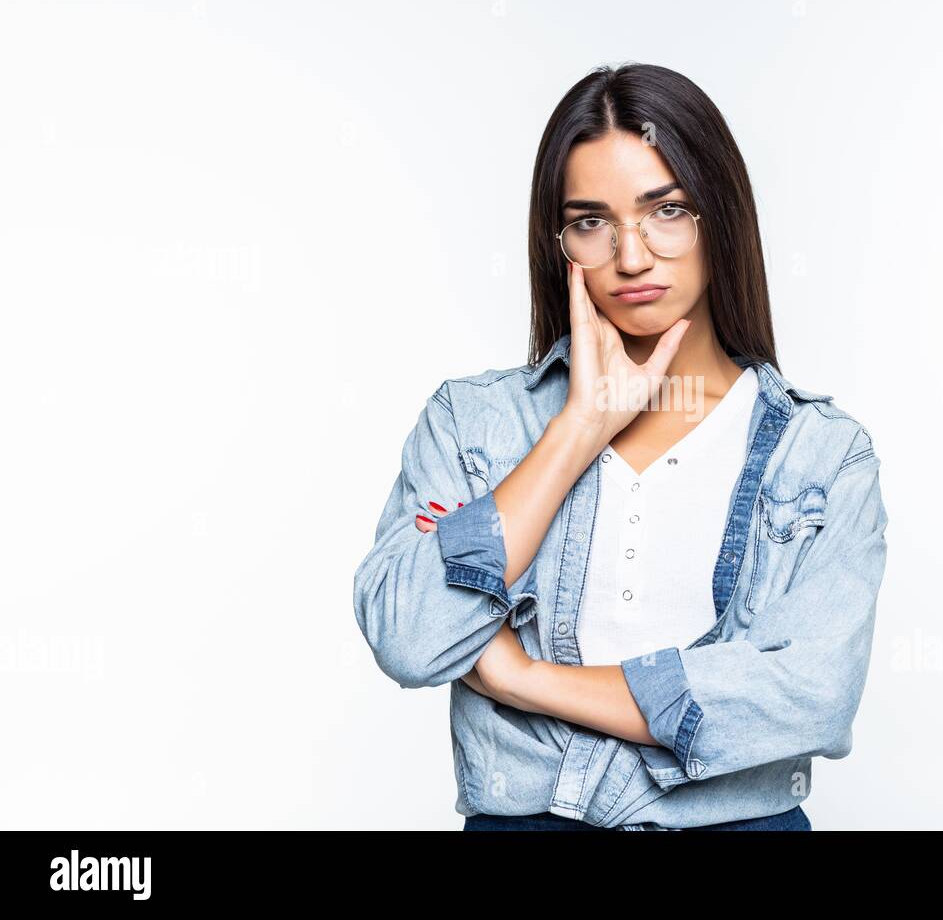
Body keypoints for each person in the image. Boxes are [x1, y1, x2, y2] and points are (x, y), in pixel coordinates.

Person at [353, 62, 889, 831]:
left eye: (666, 210)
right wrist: (577, 430)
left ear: (721, 217)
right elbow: (408, 637)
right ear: (560, 242)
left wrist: (525, 679)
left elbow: (810, 695)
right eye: (591, 222)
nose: (631, 256)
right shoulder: (472, 425)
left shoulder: (822, 456)